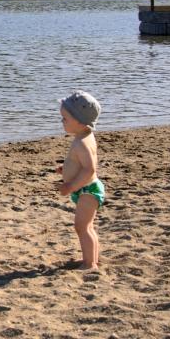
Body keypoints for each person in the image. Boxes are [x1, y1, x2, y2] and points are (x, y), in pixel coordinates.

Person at [56, 90, 104, 271]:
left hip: (88, 191)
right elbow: (80, 165)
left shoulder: (82, 143)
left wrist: (70, 186)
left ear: (81, 122)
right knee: (87, 227)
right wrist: (66, 170)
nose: (62, 122)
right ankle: (92, 258)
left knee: (82, 227)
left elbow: (89, 169)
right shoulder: (83, 136)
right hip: (85, 190)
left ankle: (90, 264)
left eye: (65, 119)